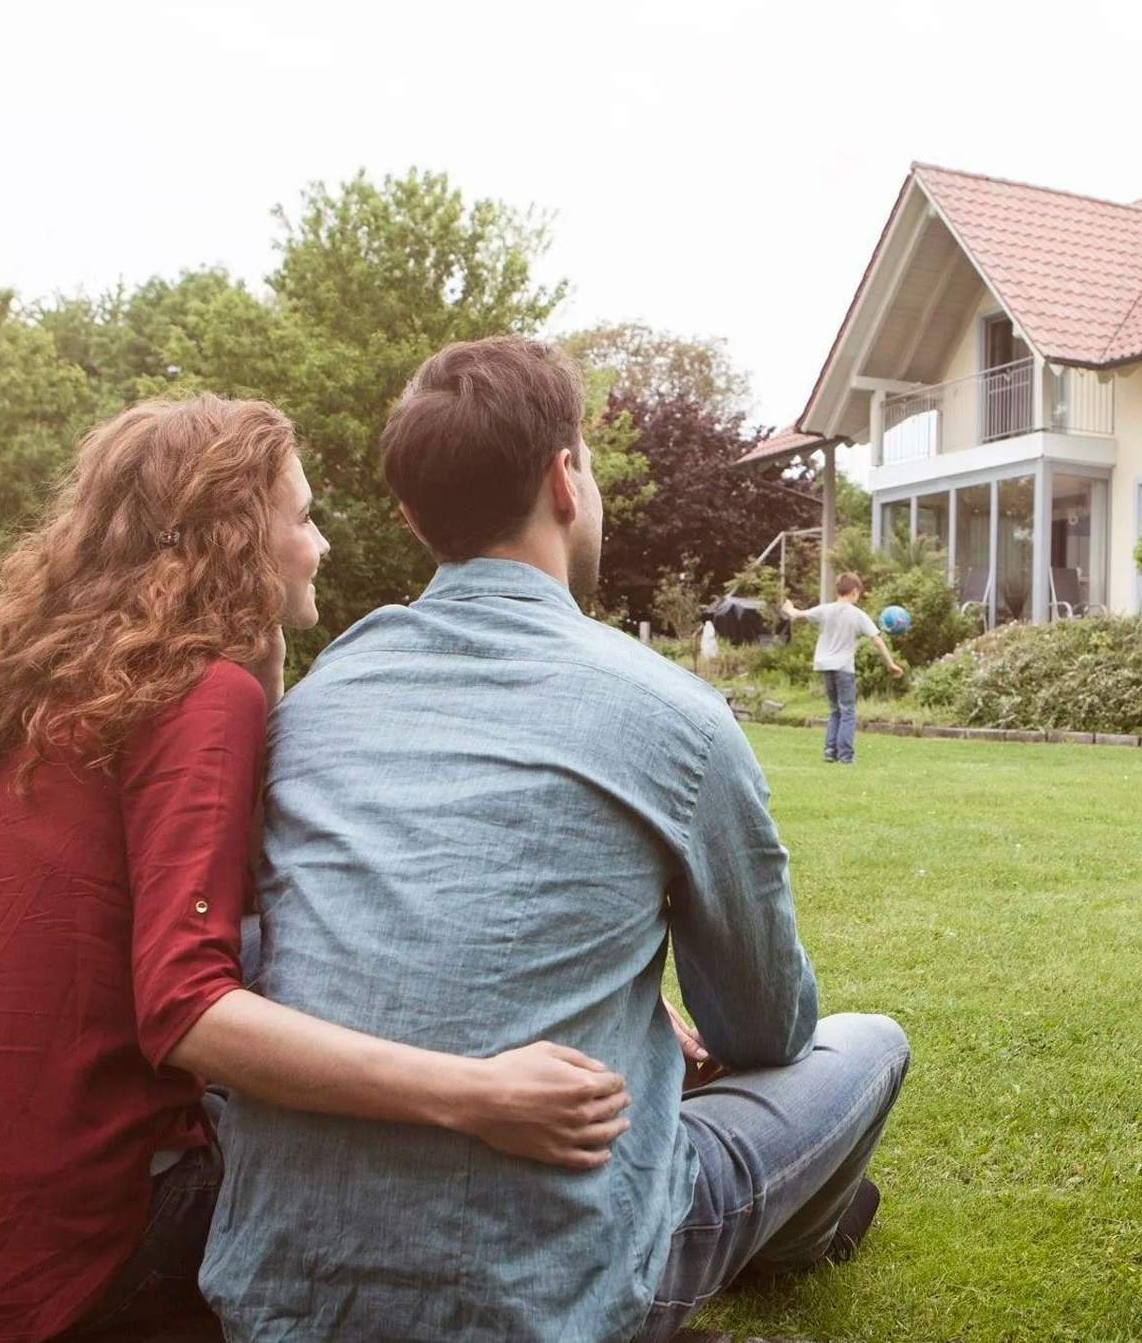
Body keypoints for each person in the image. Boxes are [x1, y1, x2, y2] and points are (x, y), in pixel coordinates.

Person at [0, 396, 633, 1343]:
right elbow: (189, 1012)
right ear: (235, 541)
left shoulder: (62, 682)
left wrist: (261, 663)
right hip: (76, 1269)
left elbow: (259, 895)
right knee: (393, 1174)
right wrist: (476, 1096)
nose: (322, 547)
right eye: (301, 519)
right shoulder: (197, 696)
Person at [203, 338, 910, 1343]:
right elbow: (763, 1030)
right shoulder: (674, 712)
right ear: (563, 478)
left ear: (413, 518)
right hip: (556, 1295)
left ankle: (812, 1213)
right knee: (867, 1045)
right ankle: (810, 1220)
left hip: (281, 1292)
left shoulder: (319, 701)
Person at [781, 573, 904, 764]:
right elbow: (878, 641)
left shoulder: (825, 610)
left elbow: (797, 614)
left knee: (834, 710)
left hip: (824, 665)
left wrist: (788, 607)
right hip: (844, 667)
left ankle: (830, 751)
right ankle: (846, 755)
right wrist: (891, 664)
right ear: (855, 591)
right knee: (848, 711)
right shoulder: (857, 614)